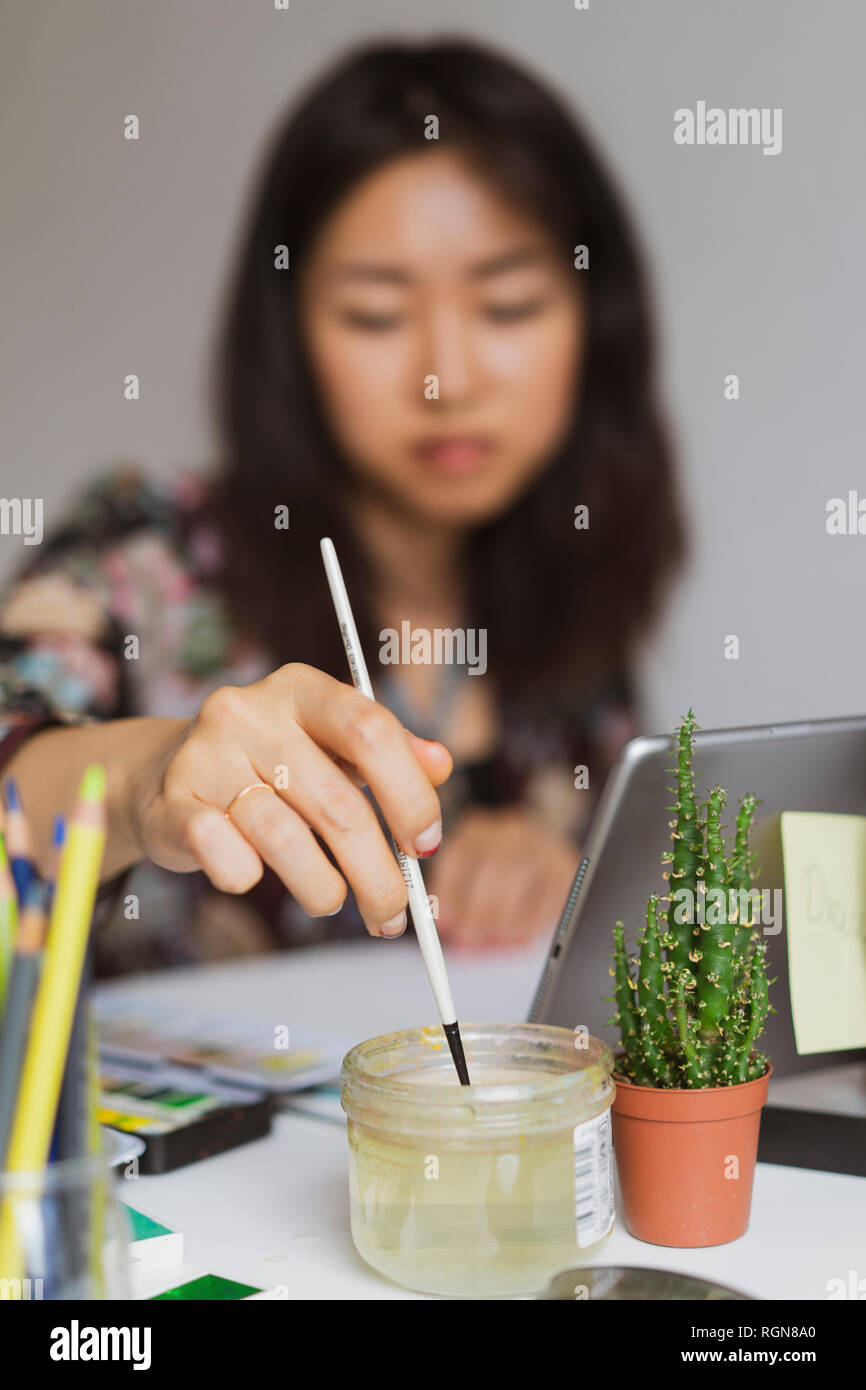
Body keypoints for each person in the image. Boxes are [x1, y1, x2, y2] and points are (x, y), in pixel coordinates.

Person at [0, 39, 685, 976]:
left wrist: (561, 881)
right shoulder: (142, 552)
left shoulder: (571, 598)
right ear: (289, 337)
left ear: (595, 324)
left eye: (511, 306)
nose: (446, 378)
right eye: (376, 315)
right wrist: (146, 779)